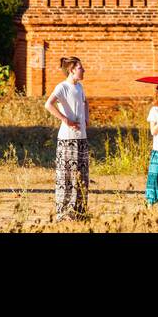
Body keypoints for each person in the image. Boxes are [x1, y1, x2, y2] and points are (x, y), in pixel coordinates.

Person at [44, 56, 89, 220]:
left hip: (81, 138)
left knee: (81, 176)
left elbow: (85, 102)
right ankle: (64, 213)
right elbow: (48, 104)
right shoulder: (62, 87)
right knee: (67, 176)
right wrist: (65, 119)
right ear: (72, 70)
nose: (83, 70)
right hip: (67, 139)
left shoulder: (80, 87)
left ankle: (79, 211)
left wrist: (86, 118)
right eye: (80, 68)